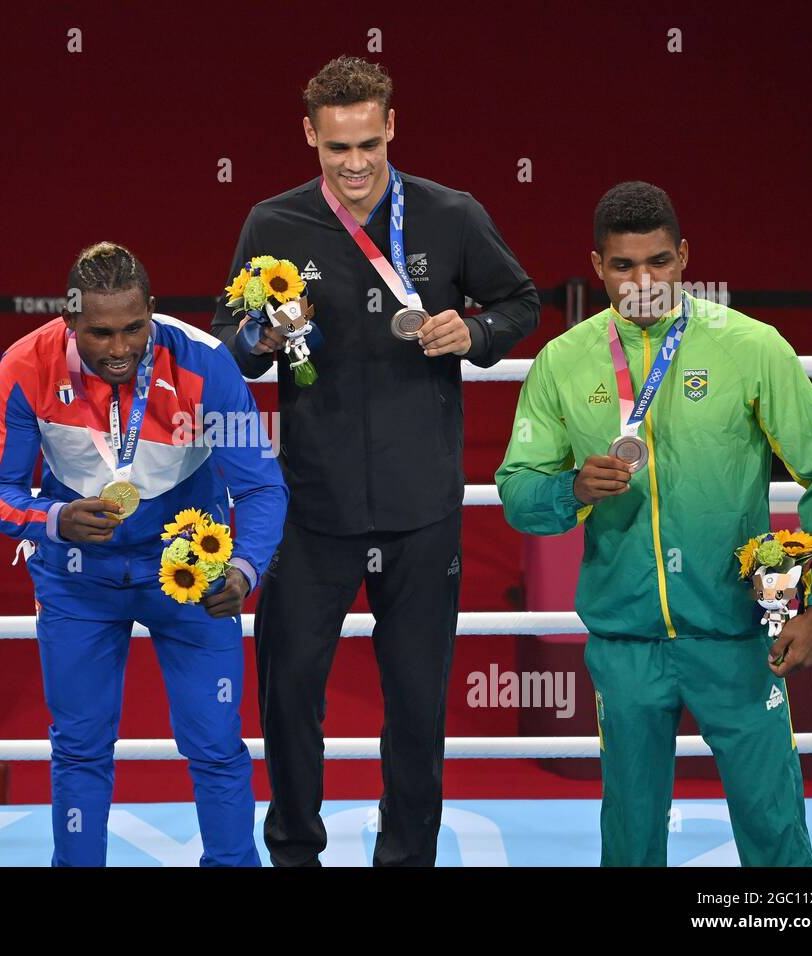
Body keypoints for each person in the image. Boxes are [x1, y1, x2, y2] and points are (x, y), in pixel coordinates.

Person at [210, 56, 540, 866]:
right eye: (335, 148)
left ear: (392, 126)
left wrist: (476, 333)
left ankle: (407, 857)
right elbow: (232, 349)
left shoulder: (451, 215)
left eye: (367, 143)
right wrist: (261, 335)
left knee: (418, 706)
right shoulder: (272, 224)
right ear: (310, 138)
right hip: (309, 508)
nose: (353, 164)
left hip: (422, 505)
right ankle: (294, 853)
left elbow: (521, 302)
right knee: (288, 698)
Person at [496, 181, 812, 866]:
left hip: (739, 637)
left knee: (773, 827)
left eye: (659, 263)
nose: (643, 282)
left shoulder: (751, 347)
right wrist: (571, 489)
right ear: (598, 264)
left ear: (684, 257)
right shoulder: (563, 362)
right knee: (630, 840)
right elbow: (516, 492)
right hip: (626, 642)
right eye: (624, 266)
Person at [0, 241, 287, 866]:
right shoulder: (26, 366)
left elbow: (259, 485)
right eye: (100, 333)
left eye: (133, 329)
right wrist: (55, 520)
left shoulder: (203, 363)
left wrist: (244, 567)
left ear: (153, 310)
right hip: (77, 580)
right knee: (80, 747)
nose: (119, 350)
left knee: (216, 743)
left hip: (191, 573)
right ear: (68, 322)